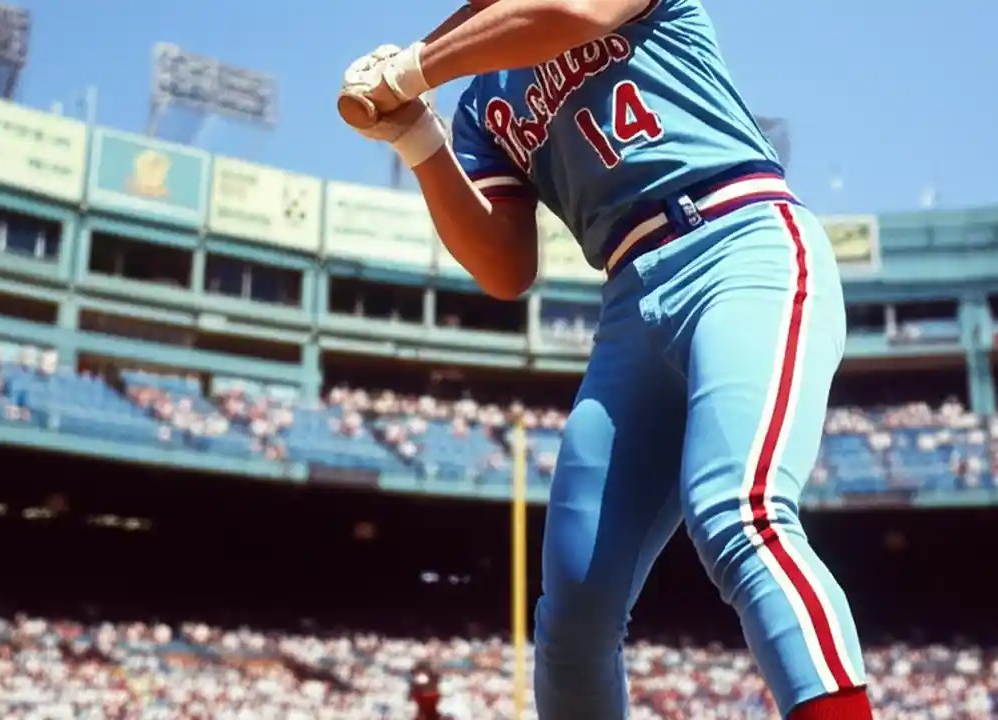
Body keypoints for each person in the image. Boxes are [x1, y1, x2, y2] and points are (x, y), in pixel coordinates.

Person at [339, 1, 873, 718]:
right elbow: (504, 266)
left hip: (737, 238)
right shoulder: (481, 96)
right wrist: (417, 137)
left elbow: (568, 12)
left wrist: (412, 66)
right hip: (627, 298)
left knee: (738, 512)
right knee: (575, 609)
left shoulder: (468, 53)